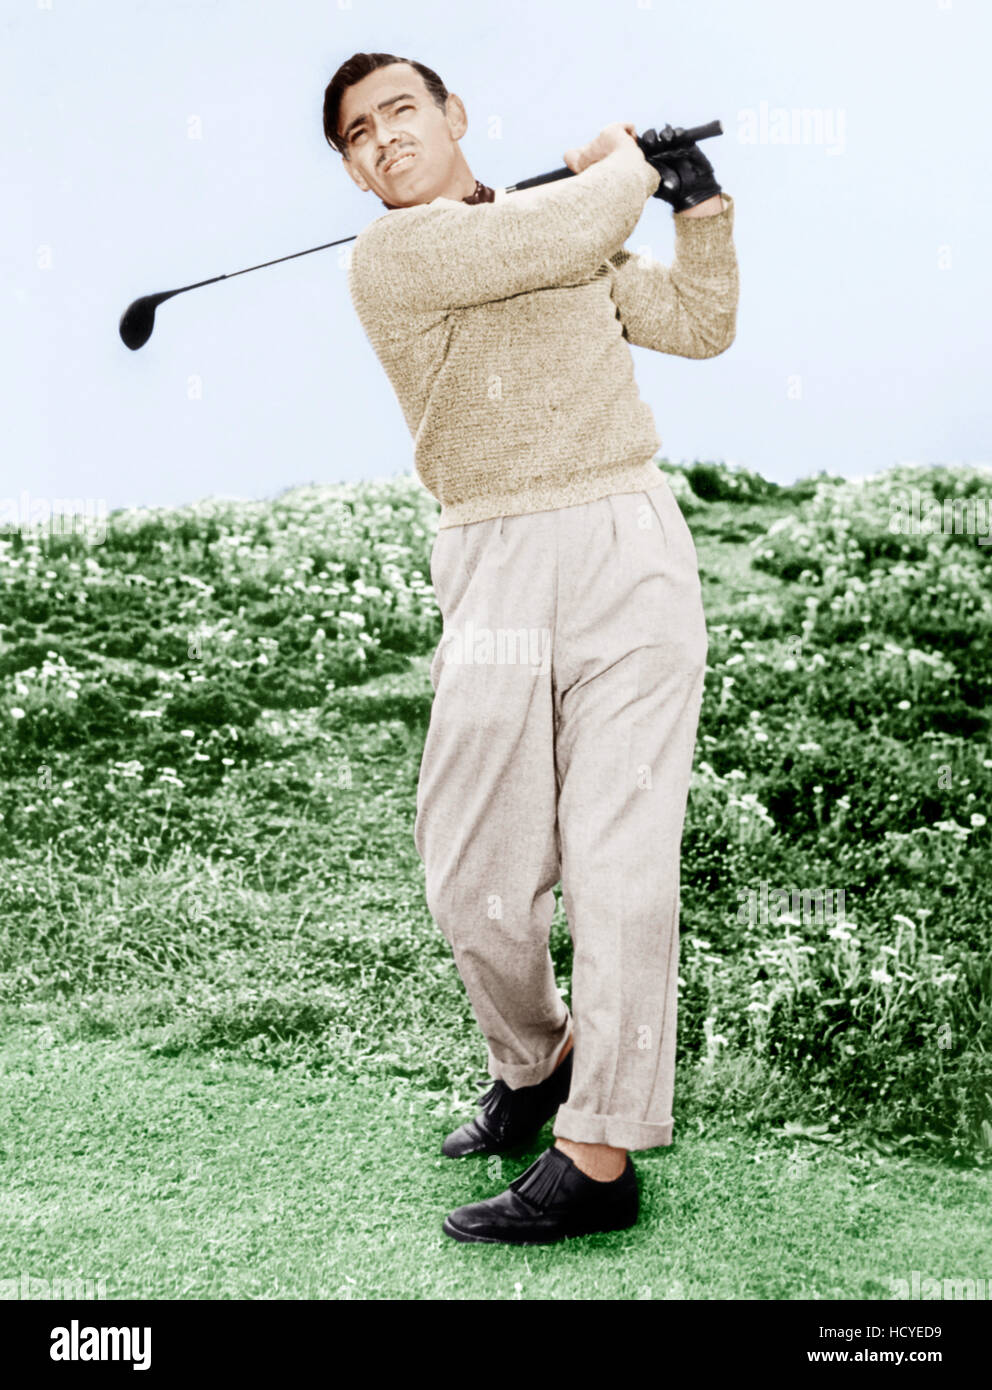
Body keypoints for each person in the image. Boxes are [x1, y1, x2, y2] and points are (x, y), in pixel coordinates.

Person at [323, 51, 739, 1245]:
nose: (385, 138)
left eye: (402, 109)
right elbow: (566, 229)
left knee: (622, 869)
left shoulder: (561, 229)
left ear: (453, 116)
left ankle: (598, 1154)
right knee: (472, 872)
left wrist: (695, 201)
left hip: (624, 540)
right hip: (495, 556)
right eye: (358, 134)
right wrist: (621, 163)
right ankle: (535, 1058)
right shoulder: (395, 253)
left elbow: (697, 324)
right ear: (355, 171)